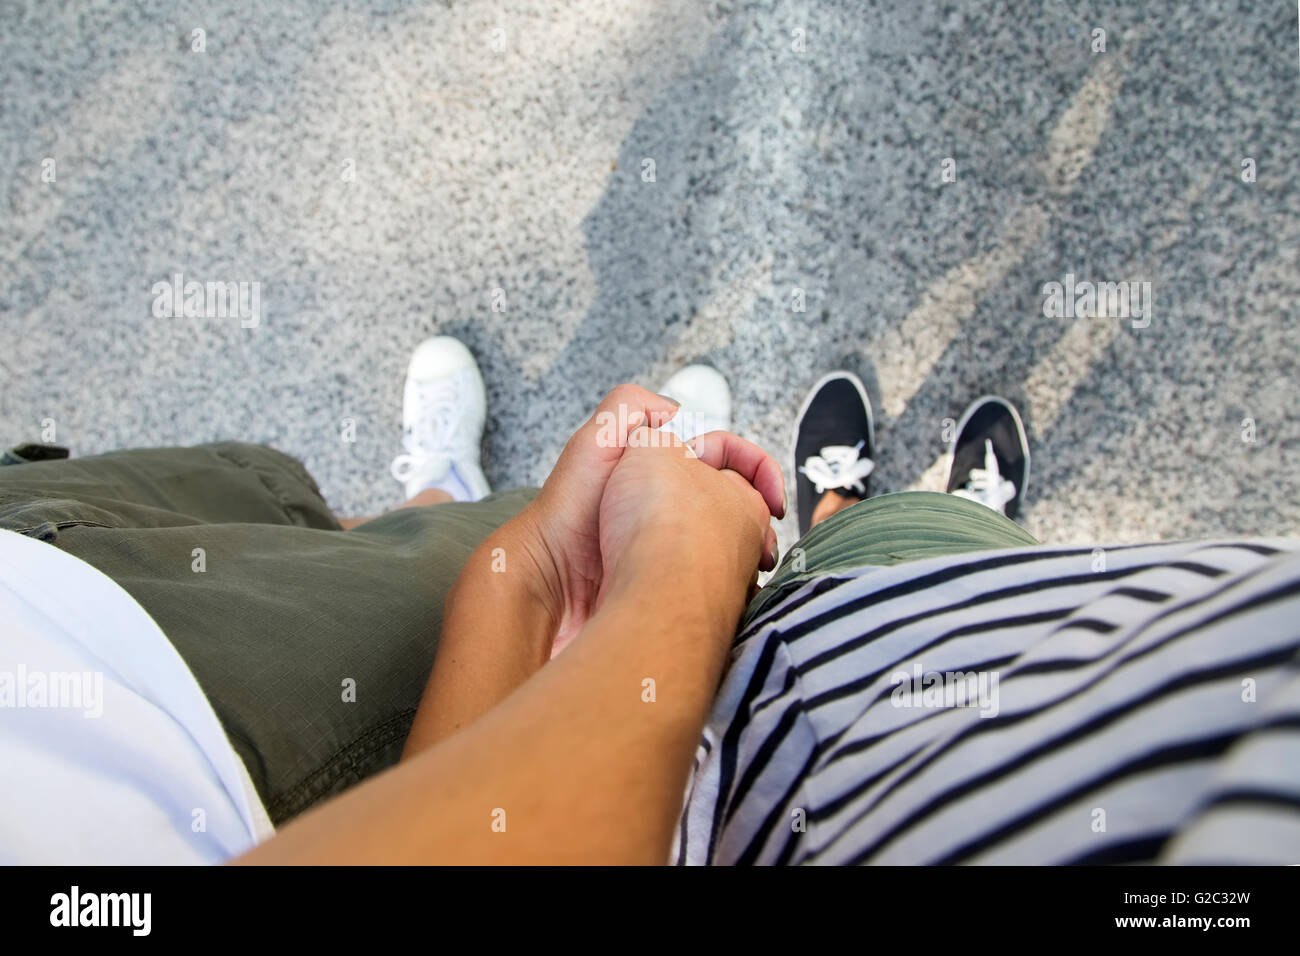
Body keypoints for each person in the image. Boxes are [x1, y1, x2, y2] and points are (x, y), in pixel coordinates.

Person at [0, 337, 1295, 865]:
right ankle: (881, 522)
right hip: (851, 749)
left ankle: (441, 502)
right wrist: (678, 564)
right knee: (931, 573)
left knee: (345, 541)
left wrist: (529, 578)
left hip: (55, 575)